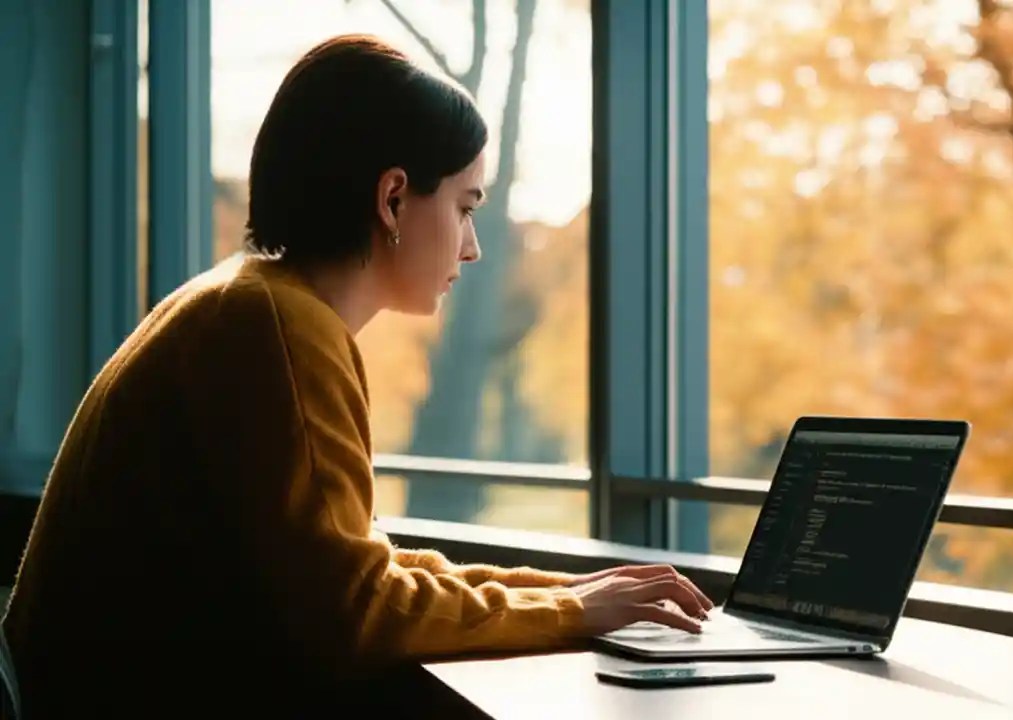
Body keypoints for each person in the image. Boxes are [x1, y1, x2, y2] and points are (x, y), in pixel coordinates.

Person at [1, 34, 711, 717]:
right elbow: (355, 611)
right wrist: (567, 610)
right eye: (465, 208)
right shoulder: (278, 330)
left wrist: (568, 591)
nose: (472, 249)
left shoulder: (248, 302)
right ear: (394, 198)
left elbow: (356, 573)